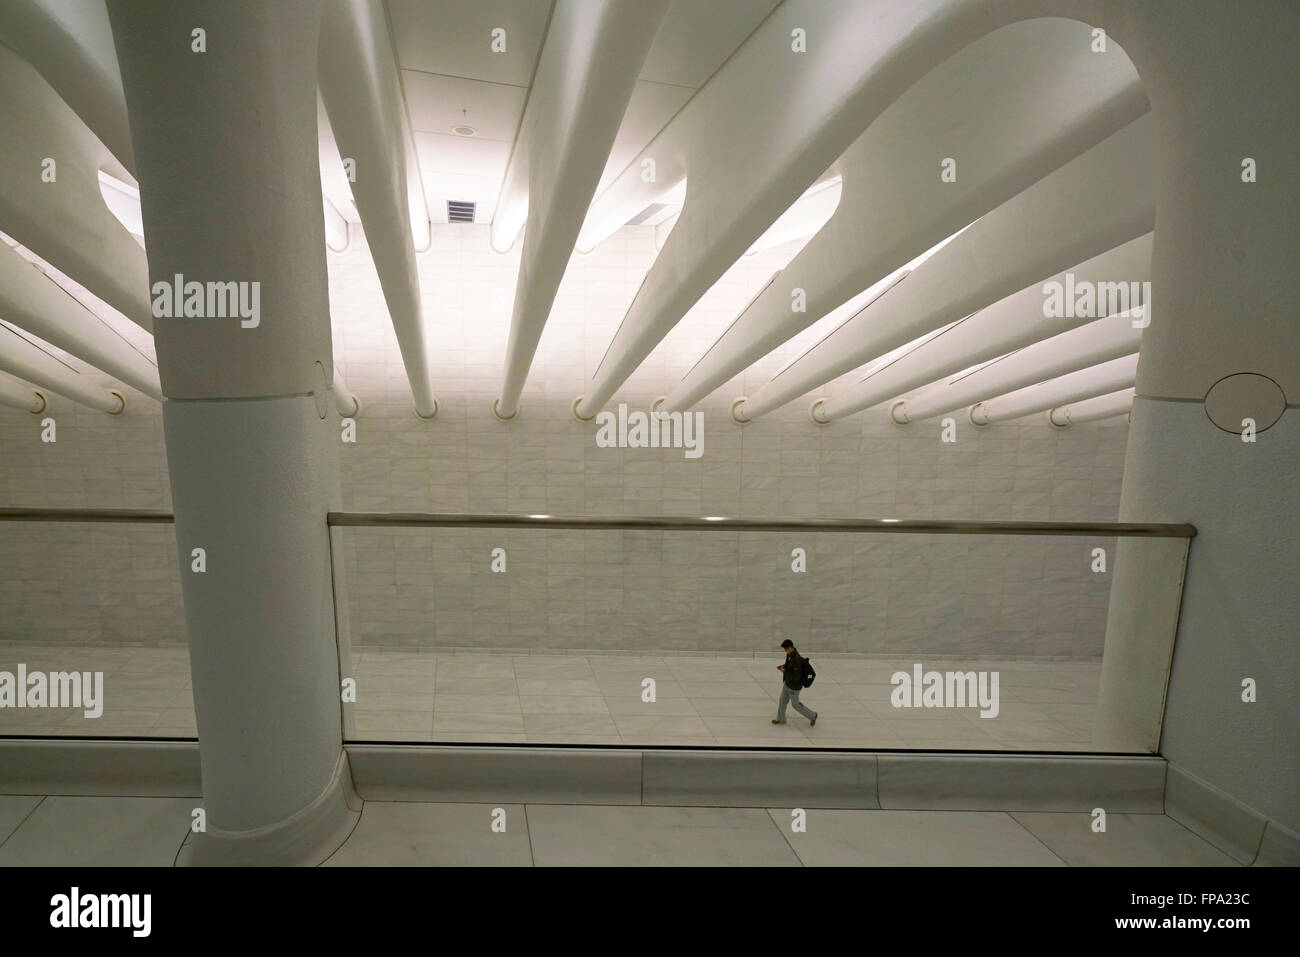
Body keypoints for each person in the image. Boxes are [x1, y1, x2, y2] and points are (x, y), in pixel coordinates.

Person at [772, 639, 818, 726]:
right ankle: (781, 719)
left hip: (794, 687)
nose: (785, 651)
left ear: (790, 648)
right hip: (787, 684)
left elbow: (795, 677)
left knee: (796, 705)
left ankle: (813, 716)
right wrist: (783, 666)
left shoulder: (797, 660)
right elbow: (788, 666)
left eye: (786, 649)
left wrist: (784, 671)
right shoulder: (789, 655)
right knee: (782, 701)